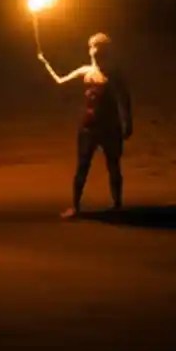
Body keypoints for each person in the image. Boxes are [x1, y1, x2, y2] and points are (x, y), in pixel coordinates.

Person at [37, 32, 132, 219]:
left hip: (110, 127)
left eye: (102, 49)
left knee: (113, 166)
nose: (98, 51)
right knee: (82, 166)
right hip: (89, 127)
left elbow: (124, 99)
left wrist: (127, 122)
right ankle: (76, 206)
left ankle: (117, 205)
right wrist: (44, 63)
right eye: (95, 47)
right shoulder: (85, 71)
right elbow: (60, 82)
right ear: (90, 50)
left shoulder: (115, 75)